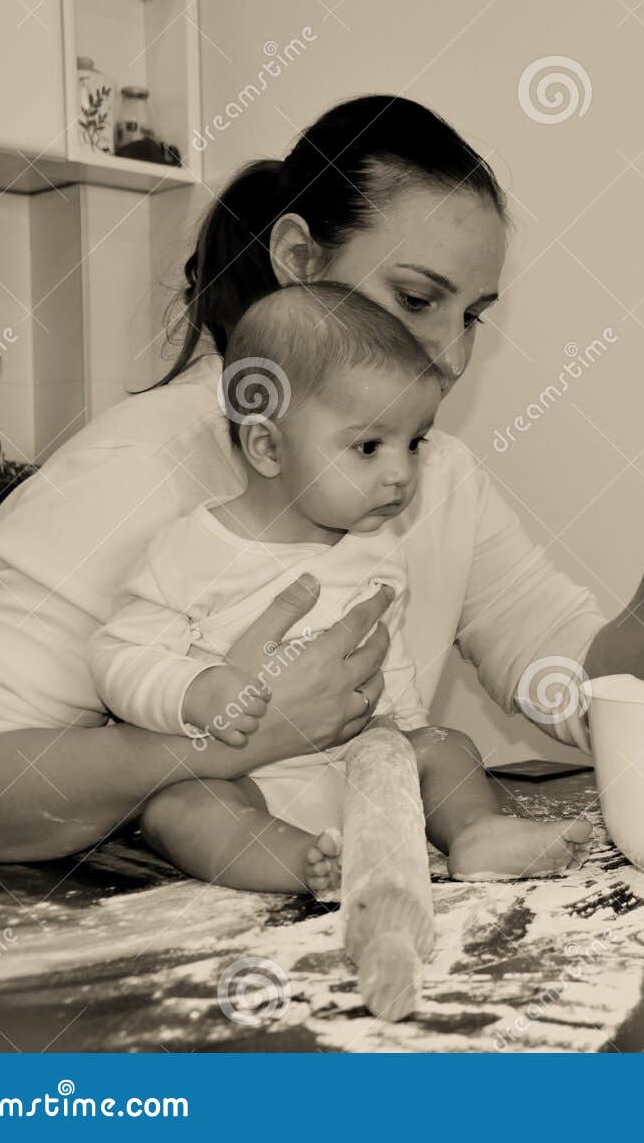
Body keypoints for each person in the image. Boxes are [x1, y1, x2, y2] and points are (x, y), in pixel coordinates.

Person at [0, 95, 644, 877]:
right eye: (417, 297)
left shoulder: (436, 480)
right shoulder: (126, 472)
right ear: (295, 257)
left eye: (471, 314)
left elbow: (586, 704)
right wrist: (211, 740)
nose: (451, 354)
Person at [87, 283, 592, 895]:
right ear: (268, 446)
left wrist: (404, 733)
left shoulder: (373, 548)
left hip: (357, 763)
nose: (402, 473)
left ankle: (475, 833)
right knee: (180, 810)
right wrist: (195, 690)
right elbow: (117, 657)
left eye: (414, 444)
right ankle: (303, 861)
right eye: (369, 447)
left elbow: (386, 658)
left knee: (447, 744)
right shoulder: (190, 550)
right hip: (243, 777)